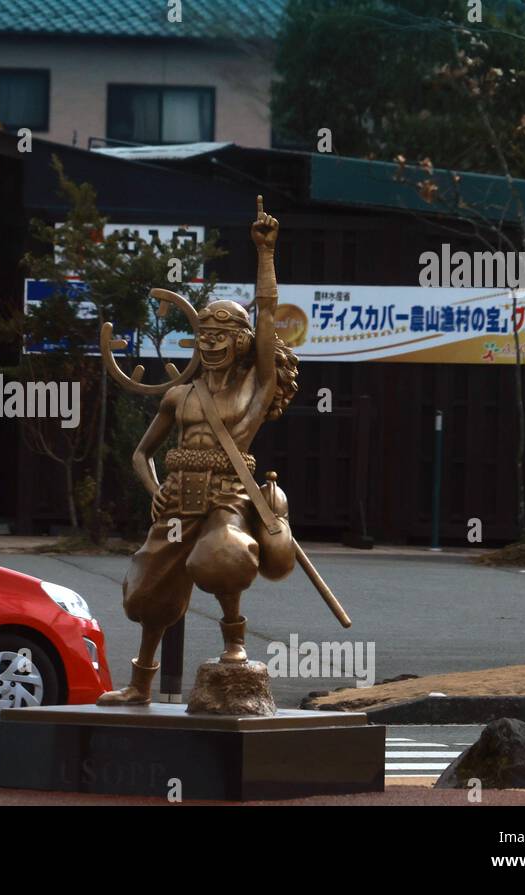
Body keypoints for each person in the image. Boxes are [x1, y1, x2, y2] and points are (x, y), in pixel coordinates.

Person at [98, 200, 299, 705]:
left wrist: (266, 252)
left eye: (222, 337)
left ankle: (234, 643)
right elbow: (141, 454)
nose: (210, 344)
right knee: (149, 591)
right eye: (203, 336)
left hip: (227, 496)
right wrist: (154, 493)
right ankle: (140, 684)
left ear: (242, 343)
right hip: (176, 502)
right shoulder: (178, 395)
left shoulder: (255, 389)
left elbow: (269, 312)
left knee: (221, 556)